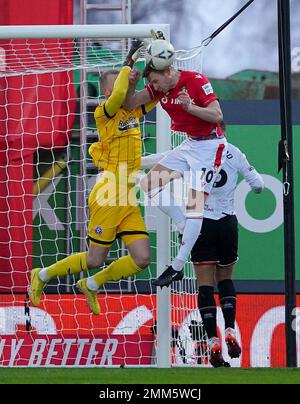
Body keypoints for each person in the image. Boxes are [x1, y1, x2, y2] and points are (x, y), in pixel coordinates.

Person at [30, 39, 158, 315]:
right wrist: (128, 62)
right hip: (108, 192)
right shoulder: (105, 112)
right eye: (121, 83)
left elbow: (155, 92)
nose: (127, 84)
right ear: (107, 90)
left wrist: (154, 67)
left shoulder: (133, 110)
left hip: (127, 195)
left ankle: (92, 283)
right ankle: (41, 275)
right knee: (95, 257)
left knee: (143, 257)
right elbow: (121, 90)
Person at [141, 141, 264, 367]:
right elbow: (258, 185)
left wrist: (132, 162)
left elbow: (163, 159)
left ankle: (212, 340)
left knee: (205, 285)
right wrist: (256, 188)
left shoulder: (194, 153)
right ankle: (229, 328)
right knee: (225, 279)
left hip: (200, 223)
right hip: (227, 222)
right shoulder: (235, 152)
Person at [125, 44, 227, 288]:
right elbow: (129, 105)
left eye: (156, 81)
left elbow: (217, 116)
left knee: (195, 207)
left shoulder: (196, 81)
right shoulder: (159, 87)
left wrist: (190, 107)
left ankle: (177, 266)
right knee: (148, 183)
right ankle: (184, 228)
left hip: (210, 147)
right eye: (152, 83)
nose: (155, 87)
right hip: (190, 145)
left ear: (168, 71)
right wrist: (131, 83)